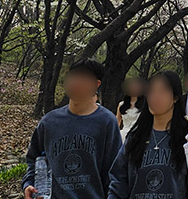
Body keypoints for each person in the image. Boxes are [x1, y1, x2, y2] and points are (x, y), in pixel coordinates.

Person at [22, 60, 122, 199]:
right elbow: (34, 157)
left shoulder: (106, 122)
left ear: (96, 85)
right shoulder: (49, 122)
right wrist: (28, 184)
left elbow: (115, 171)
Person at [107, 71, 188, 199]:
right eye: (152, 91)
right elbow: (119, 181)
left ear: (175, 97)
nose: (156, 96)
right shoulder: (135, 138)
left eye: (163, 91)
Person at [117, 77, 147, 143]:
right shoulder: (121, 105)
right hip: (123, 135)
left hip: (138, 135)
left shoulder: (145, 105)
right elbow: (117, 122)